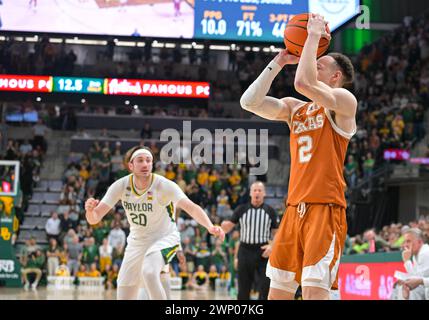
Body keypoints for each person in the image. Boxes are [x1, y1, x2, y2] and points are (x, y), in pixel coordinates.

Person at [240, 13, 357, 300]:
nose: (311, 62)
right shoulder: (295, 109)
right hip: (294, 209)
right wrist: (278, 62)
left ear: (335, 77)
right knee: (277, 294)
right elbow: (249, 102)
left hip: (325, 208)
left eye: (319, 63)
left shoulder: (344, 102)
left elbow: (304, 83)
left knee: (315, 293)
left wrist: (313, 35)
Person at [84, 146, 224, 300]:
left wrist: (210, 226)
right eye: (140, 160)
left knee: (150, 272)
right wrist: (90, 211)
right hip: (137, 242)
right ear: (131, 166)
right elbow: (95, 218)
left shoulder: (163, 185)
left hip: (165, 238)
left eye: (148, 160)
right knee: (124, 294)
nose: (145, 164)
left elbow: (191, 207)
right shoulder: (120, 186)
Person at [221, 181, 279, 300]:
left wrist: (272, 246)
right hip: (245, 250)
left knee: (265, 285)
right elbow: (229, 226)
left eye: (259, 190)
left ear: (264, 193)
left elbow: (277, 233)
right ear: (251, 193)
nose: (257, 192)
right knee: (243, 286)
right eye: (255, 190)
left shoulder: (270, 211)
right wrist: (222, 226)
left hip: (263, 251)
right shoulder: (241, 209)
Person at [398, 228, 429, 300]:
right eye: (404, 242)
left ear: (419, 242)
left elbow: (417, 281)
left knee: (409, 289)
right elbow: (415, 279)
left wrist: (407, 261)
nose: (405, 245)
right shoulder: (415, 255)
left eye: (408, 241)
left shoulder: (425, 253)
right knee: (402, 287)